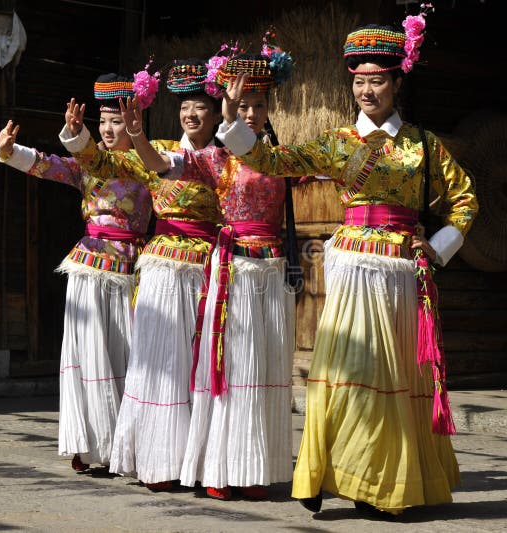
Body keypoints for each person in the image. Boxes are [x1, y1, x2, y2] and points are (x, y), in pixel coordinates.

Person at [218, 11, 478, 515]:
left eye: (376, 79)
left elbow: (465, 199)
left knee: (391, 379)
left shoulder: (425, 147)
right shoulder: (338, 142)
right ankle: (326, 472)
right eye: (358, 80)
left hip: (401, 273)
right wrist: (230, 122)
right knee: (343, 370)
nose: (365, 90)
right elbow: (274, 162)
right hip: (354, 267)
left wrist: (439, 243)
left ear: (397, 82)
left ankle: (384, 487)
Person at [115, 40, 297, 501]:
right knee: (230, 367)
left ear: (269, 107)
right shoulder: (216, 159)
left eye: (259, 105)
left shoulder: (283, 160)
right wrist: (138, 136)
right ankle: (219, 466)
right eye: (243, 105)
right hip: (231, 269)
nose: (251, 113)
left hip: (271, 271)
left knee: (265, 366)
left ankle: (253, 469)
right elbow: (163, 164)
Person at [59, 59, 224, 491]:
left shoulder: (228, 159)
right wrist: (83, 139)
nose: (190, 114)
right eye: (184, 106)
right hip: (162, 266)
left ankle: (201, 458)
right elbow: (114, 165)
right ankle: (157, 457)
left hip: (210, 265)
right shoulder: (162, 148)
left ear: (217, 111)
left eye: (200, 107)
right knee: (157, 364)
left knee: (200, 365)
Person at [0, 71, 156, 472]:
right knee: (88, 356)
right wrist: (12, 152)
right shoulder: (87, 165)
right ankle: (88, 443)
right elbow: (51, 165)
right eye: (101, 122)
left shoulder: (152, 165)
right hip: (88, 267)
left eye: (115, 121)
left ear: (135, 121)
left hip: (131, 268)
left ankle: (125, 445)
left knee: (126, 354)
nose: (106, 129)